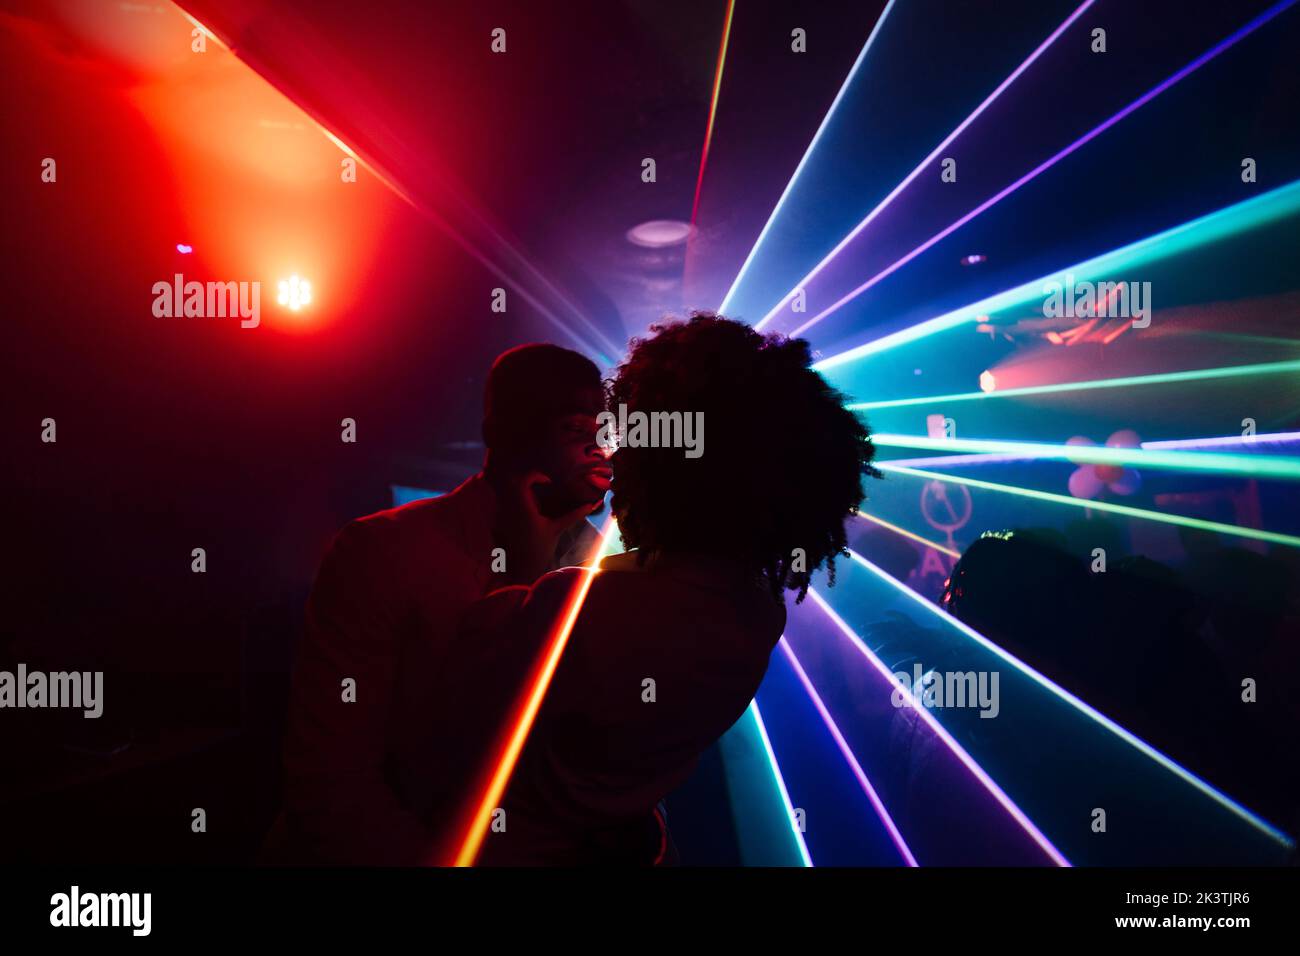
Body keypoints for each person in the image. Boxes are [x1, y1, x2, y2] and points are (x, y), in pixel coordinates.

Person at [448, 312, 878, 865]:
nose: (611, 462)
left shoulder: (576, 609)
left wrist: (527, 551)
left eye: (629, 444)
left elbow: (474, 662)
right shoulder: (758, 613)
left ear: (669, 469)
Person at [271, 343, 611, 865]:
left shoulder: (599, 565)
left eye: (601, 432)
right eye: (576, 430)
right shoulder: (382, 549)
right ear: (505, 437)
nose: (599, 451)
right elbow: (331, 780)